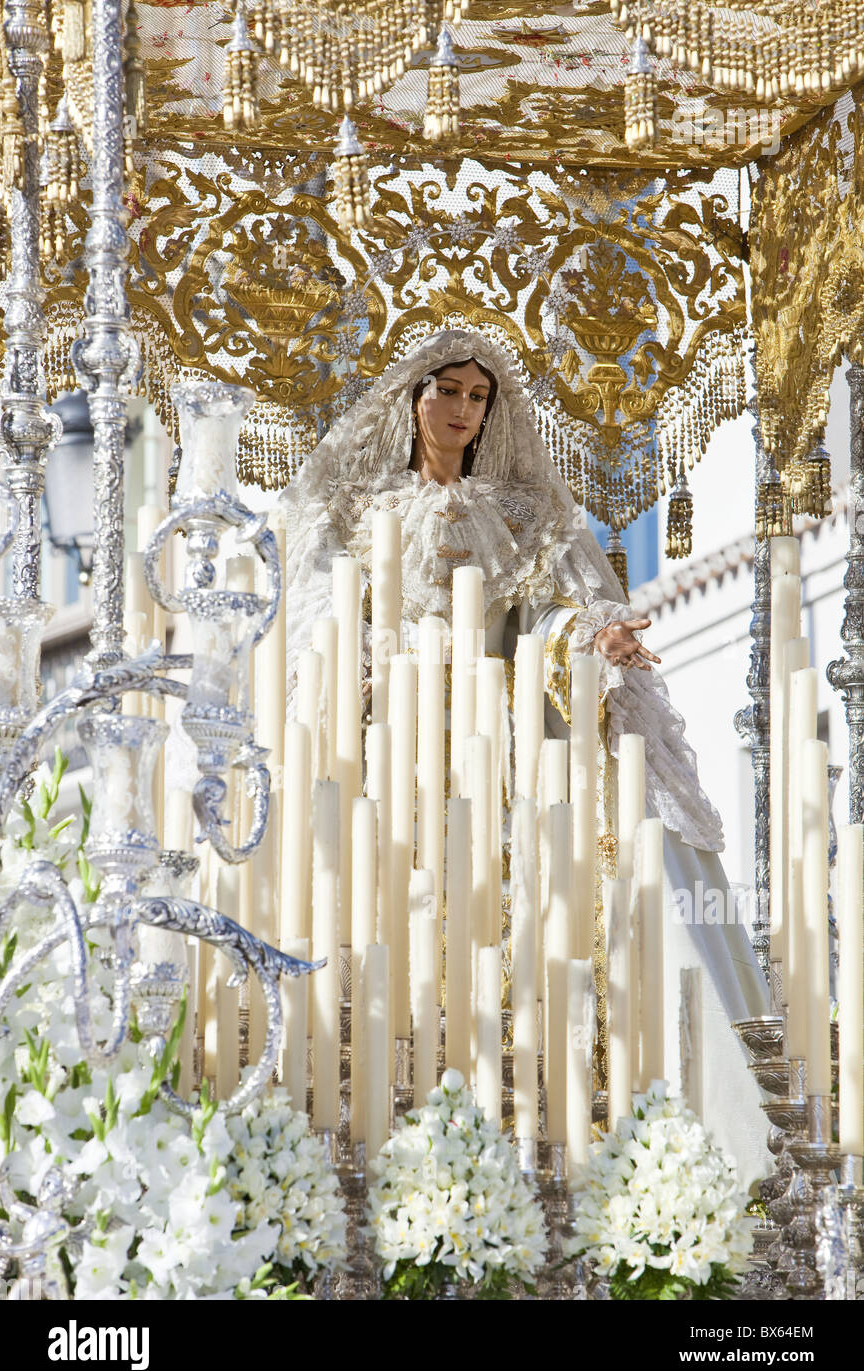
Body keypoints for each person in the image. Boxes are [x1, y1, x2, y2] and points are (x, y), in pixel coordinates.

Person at [277, 327, 769, 1187]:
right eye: (449, 392)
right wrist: (367, 665)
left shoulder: (525, 513)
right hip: (397, 744)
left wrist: (593, 632)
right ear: (411, 397)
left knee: (608, 885)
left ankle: (609, 1129)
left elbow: (549, 614)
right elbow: (319, 617)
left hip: (505, 740)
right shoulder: (356, 507)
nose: (464, 410)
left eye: (479, 396)